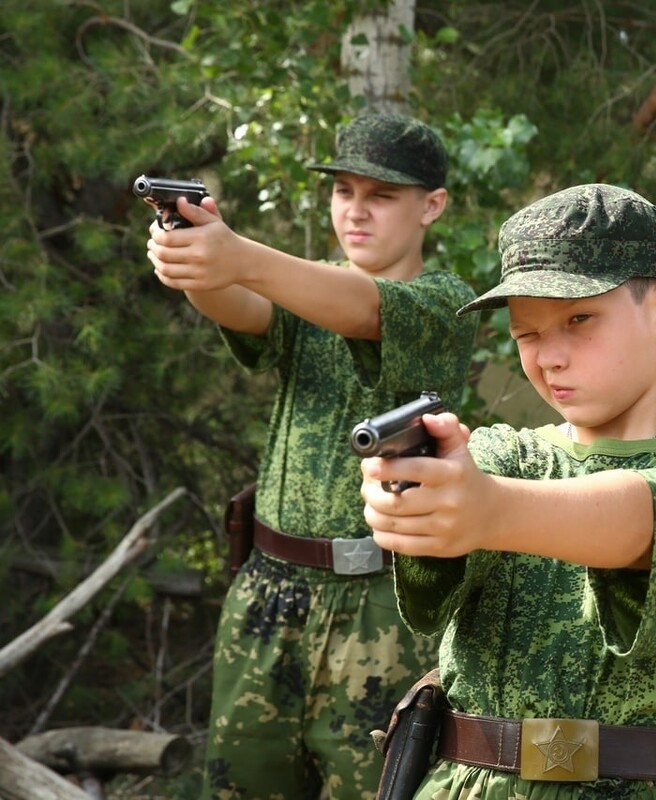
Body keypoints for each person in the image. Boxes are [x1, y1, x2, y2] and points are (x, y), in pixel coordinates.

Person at [358, 183, 656, 799]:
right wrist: (414, 494)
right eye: (526, 334)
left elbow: (640, 516)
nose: (549, 357)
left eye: (578, 319)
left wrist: (486, 508)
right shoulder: (505, 455)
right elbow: (448, 534)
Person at [147, 112, 478, 799]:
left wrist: (239, 254)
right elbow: (241, 306)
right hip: (269, 595)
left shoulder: (442, 303)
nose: (355, 212)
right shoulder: (307, 287)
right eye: (342, 192)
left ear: (432, 206)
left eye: (381, 196)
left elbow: (363, 309)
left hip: (380, 607)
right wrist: (195, 254)